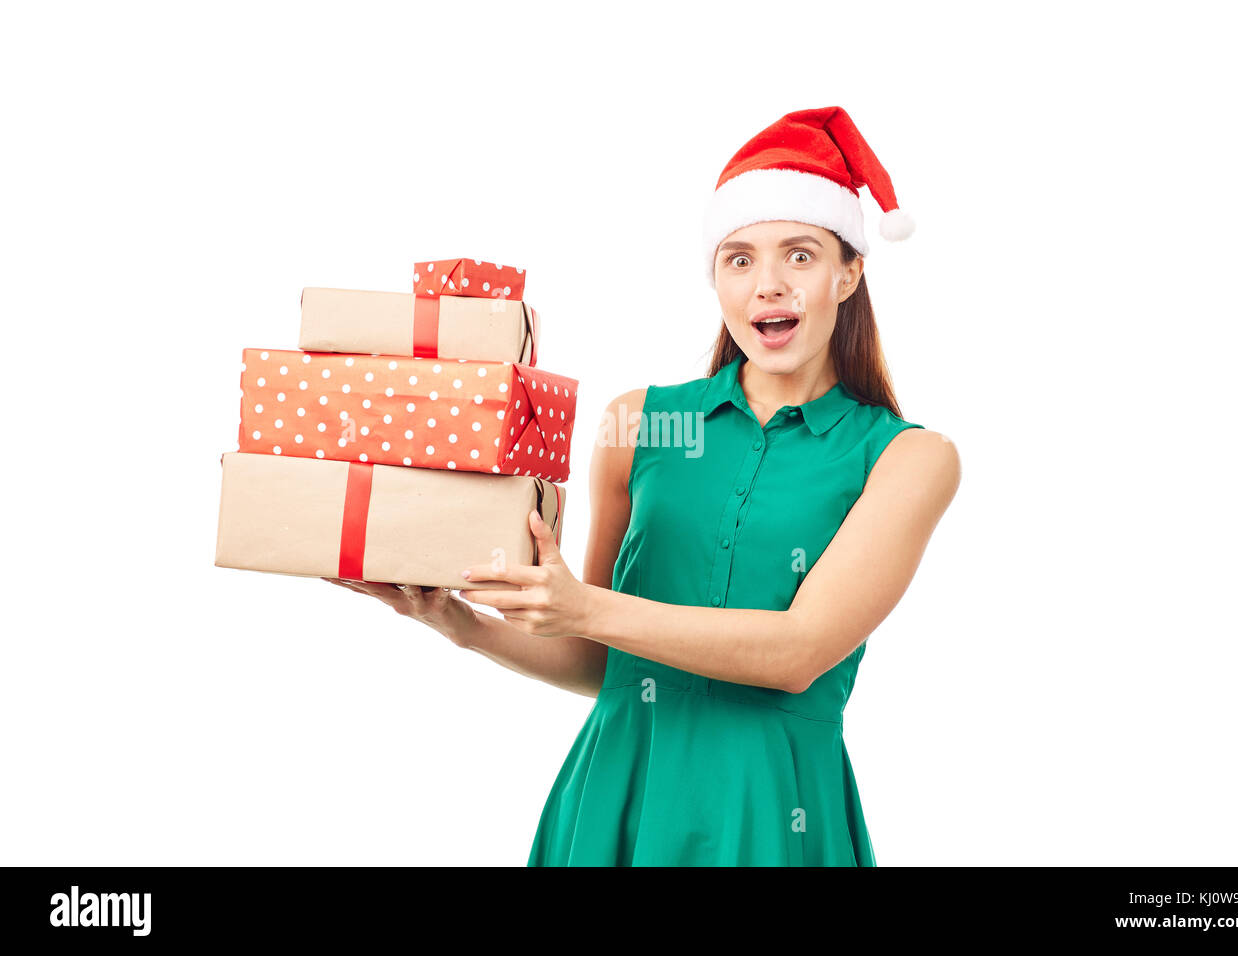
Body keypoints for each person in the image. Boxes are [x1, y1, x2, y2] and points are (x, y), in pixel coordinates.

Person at [325, 106, 960, 866]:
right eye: (739, 259)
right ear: (715, 279)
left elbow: (799, 651)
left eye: (799, 256)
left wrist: (581, 606)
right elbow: (602, 658)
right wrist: (458, 622)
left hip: (771, 811)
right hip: (617, 796)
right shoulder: (638, 425)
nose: (768, 286)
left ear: (849, 272)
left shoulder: (907, 458)